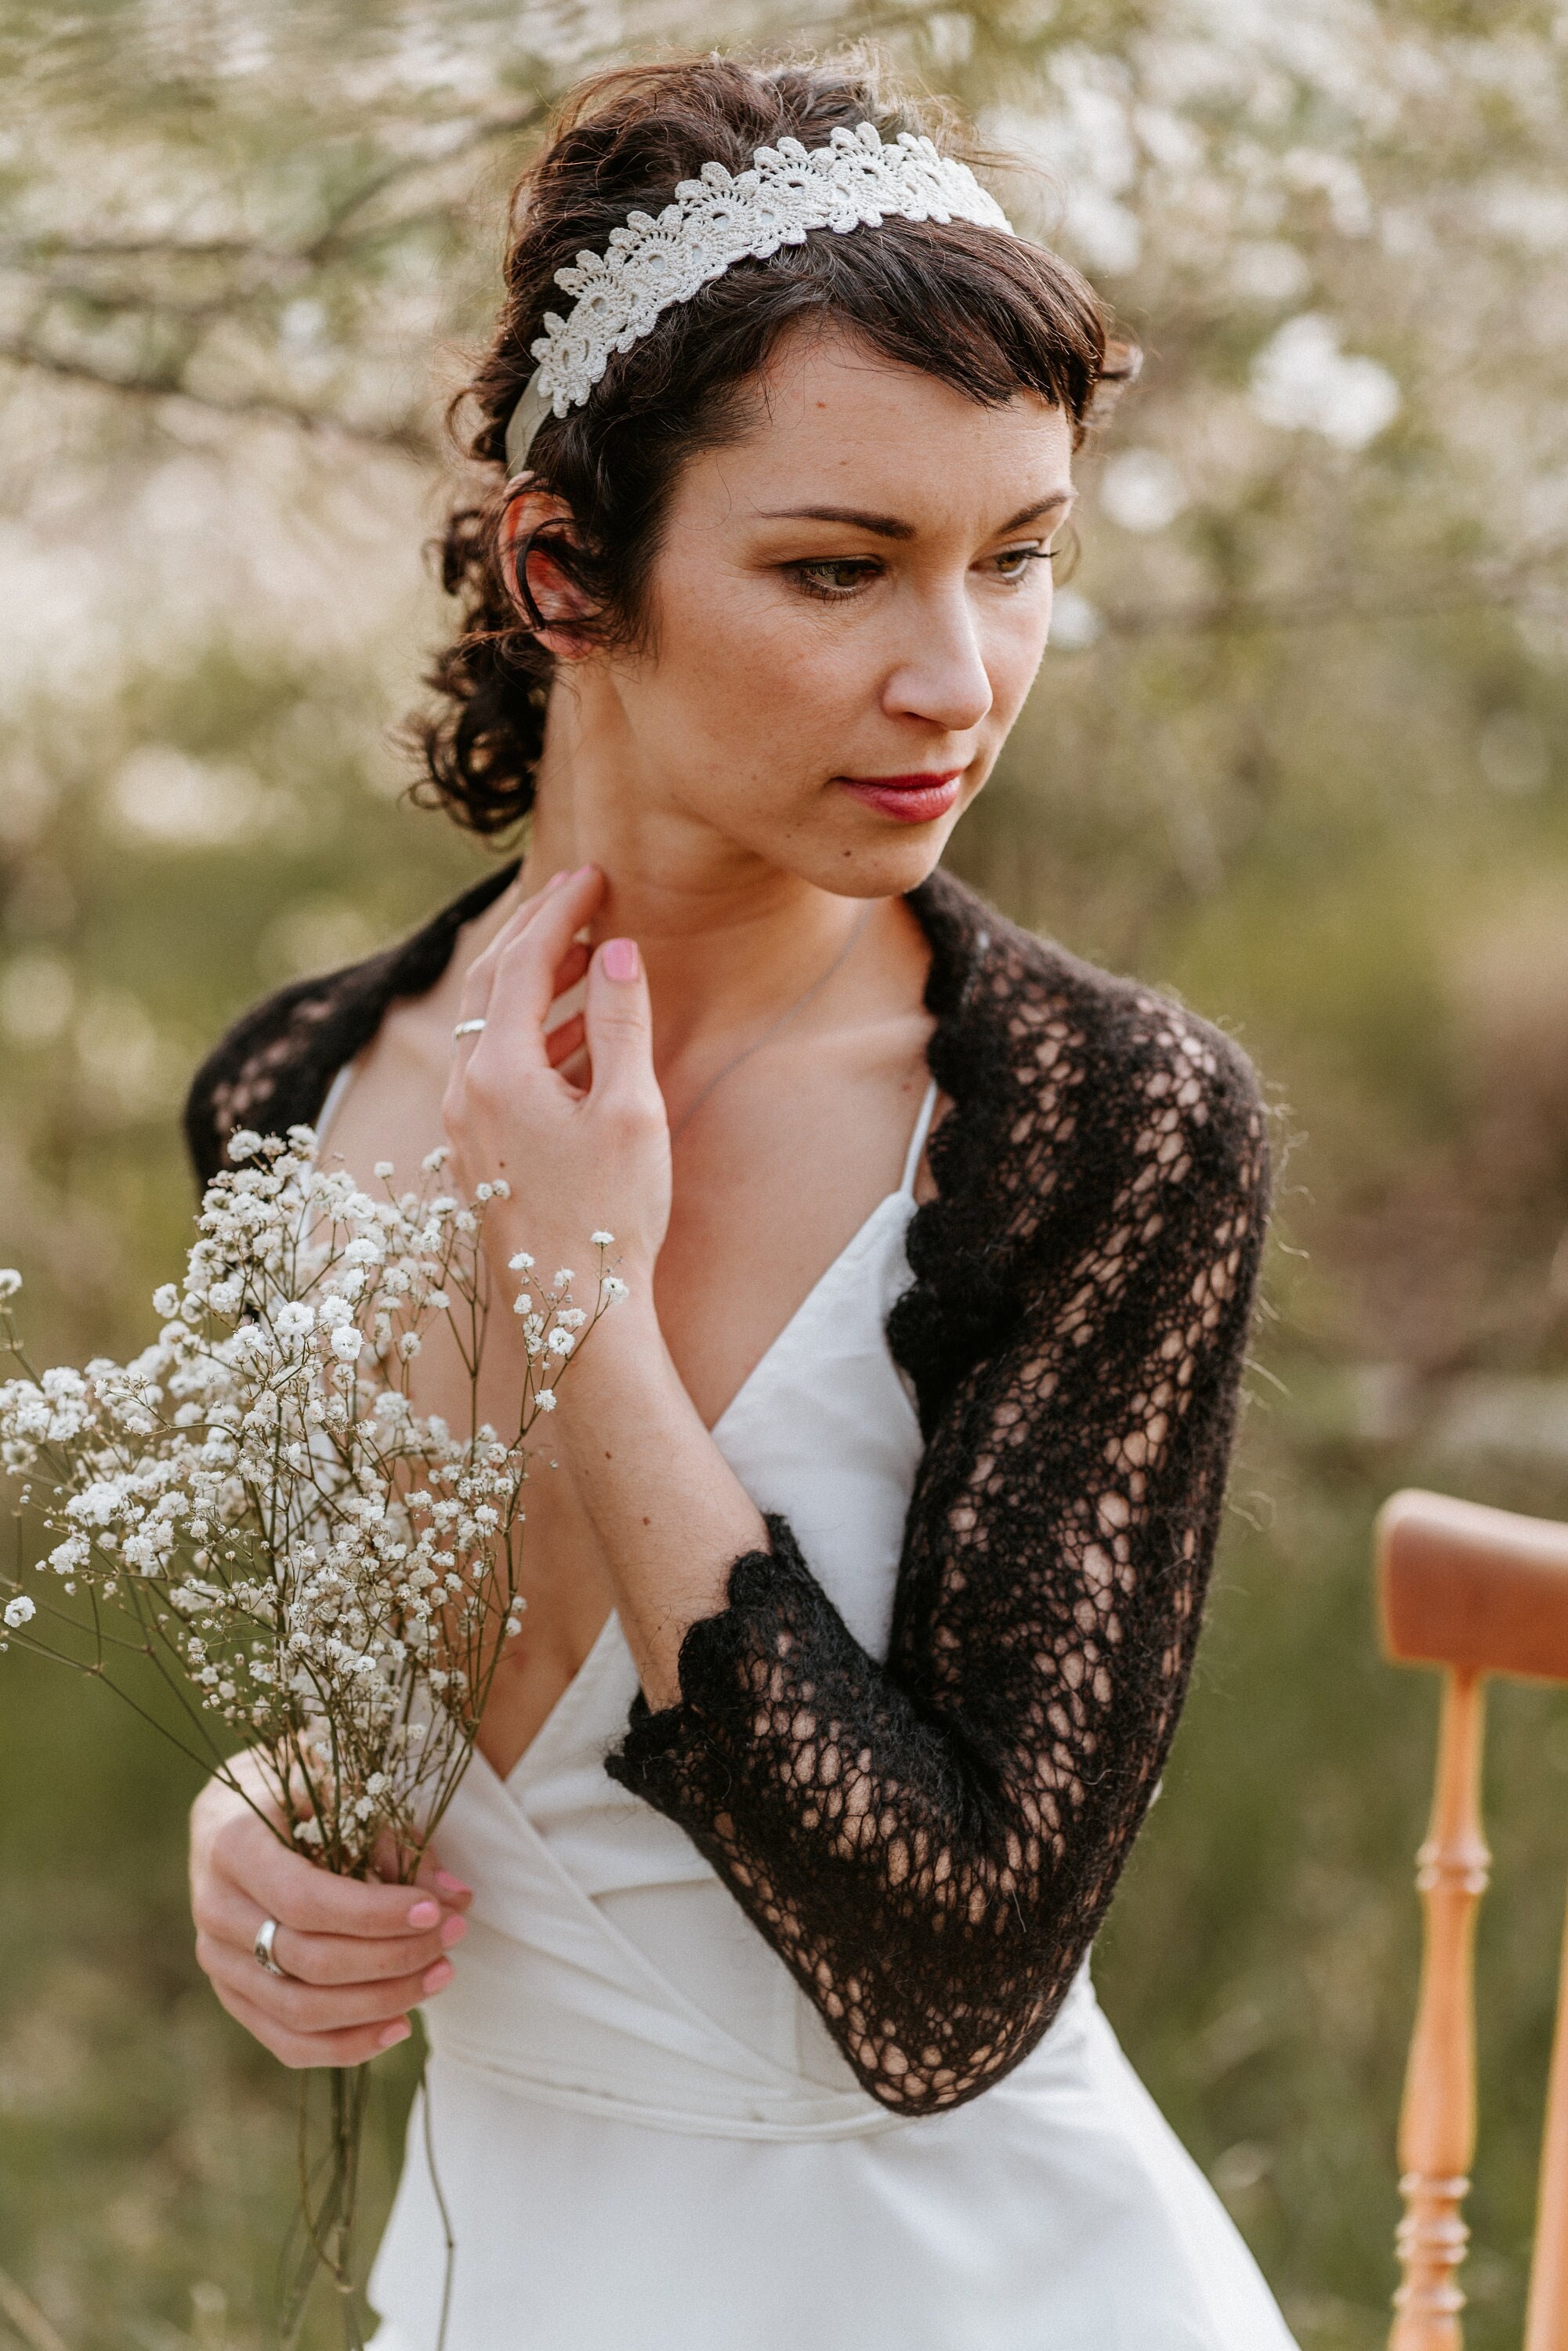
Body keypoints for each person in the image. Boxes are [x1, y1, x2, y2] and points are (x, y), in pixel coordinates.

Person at [183, 52, 1292, 2351]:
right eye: (835, 568)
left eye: (1019, 559)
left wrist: (581, 1300)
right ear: (565, 565)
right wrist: (274, 1824)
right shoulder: (283, 1099)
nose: (956, 677)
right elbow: (452, 1734)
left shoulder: (1101, 1126)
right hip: (506, 2277)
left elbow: (950, 1974)